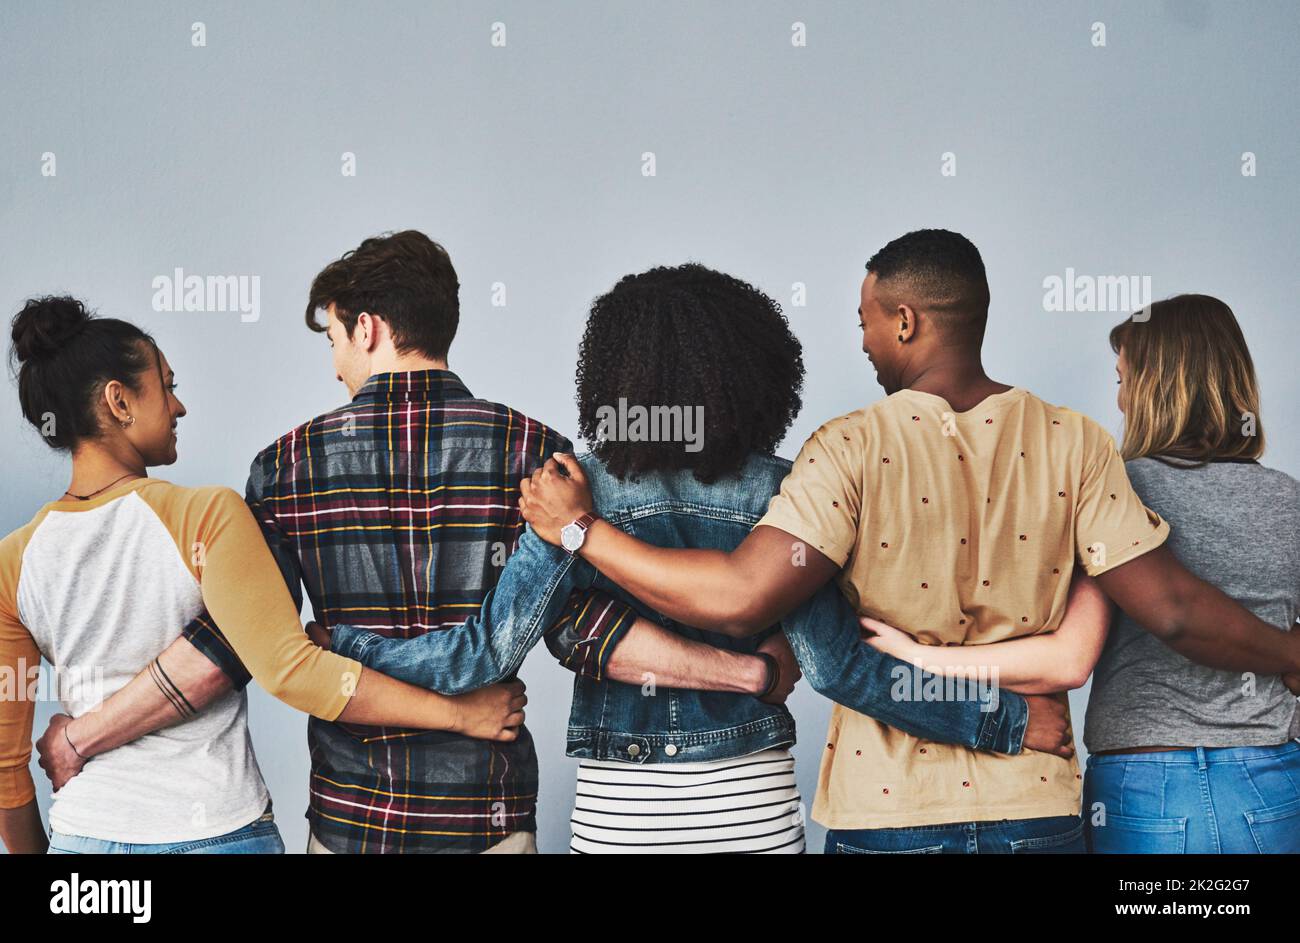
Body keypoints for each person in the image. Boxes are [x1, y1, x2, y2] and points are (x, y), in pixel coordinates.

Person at [518, 230, 1300, 854]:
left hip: (884, 812)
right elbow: (1161, 609)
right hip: (1033, 802)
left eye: (865, 320)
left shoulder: (846, 448)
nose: (860, 342)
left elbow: (744, 596)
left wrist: (581, 530)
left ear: (905, 320)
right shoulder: (1079, 442)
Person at [323, 263, 1081, 853]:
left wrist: (337, 643)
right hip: (747, 805)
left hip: (623, 814)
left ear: (614, 376)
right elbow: (842, 666)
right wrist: (1004, 721)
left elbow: (480, 652)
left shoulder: (574, 489)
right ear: (751, 371)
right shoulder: (783, 488)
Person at [0, 297, 523, 855]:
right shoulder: (206, 515)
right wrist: (458, 714)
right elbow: (292, 670)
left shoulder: (15, 559)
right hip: (214, 835)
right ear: (118, 400)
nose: (179, 407)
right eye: (166, 386)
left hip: (86, 840)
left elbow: (7, 765)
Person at [1081, 295, 1300, 852]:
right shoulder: (1287, 499)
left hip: (1145, 784)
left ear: (1155, 389)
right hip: (1272, 778)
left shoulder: (1116, 493)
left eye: (1124, 380)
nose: (1121, 400)